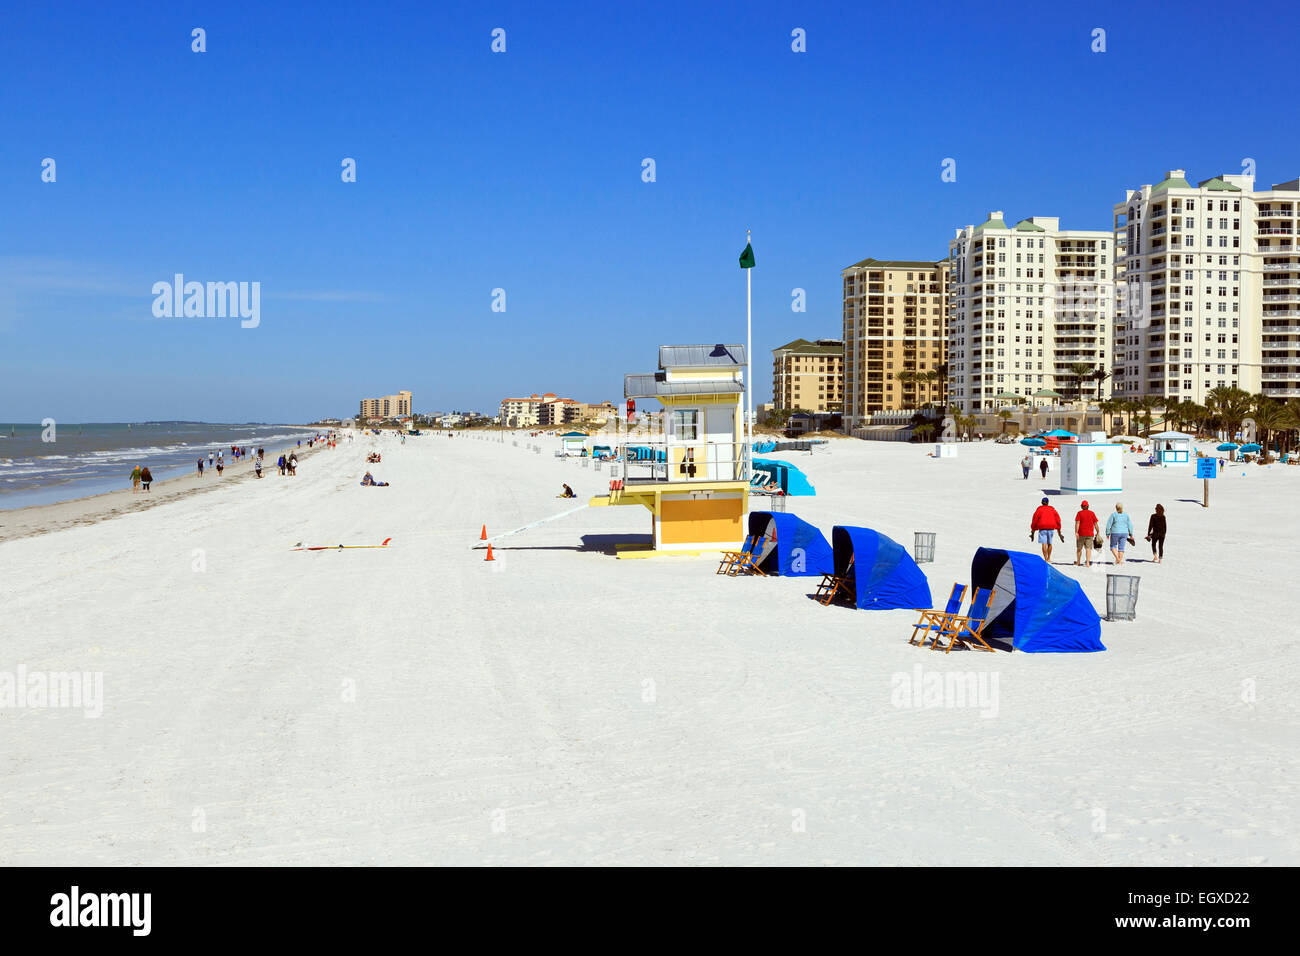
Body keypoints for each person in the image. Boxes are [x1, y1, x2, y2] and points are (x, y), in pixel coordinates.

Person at [1030, 496, 1063, 562]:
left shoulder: (1039, 510)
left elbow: (1034, 520)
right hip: (1051, 527)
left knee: (1044, 543)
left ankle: (1045, 558)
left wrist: (1033, 531)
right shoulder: (1053, 510)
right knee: (1050, 543)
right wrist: (1059, 530)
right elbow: (1058, 520)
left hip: (1042, 528)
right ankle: (1049, 558)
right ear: (1048, 503)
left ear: (1042, 502)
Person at [1074, 499, 1100, 567]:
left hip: (1081, 533)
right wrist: (1098, 531)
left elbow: (1077, 523)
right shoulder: (1092, 513)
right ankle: (1088, 563)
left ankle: (1078, 562)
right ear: (1088, 506)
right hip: (1089, 534)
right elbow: (1095, 523)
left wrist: (1076, 532)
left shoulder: (1079, 513)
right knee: (1088, 548)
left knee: (1079, 548)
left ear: (1082, 506)